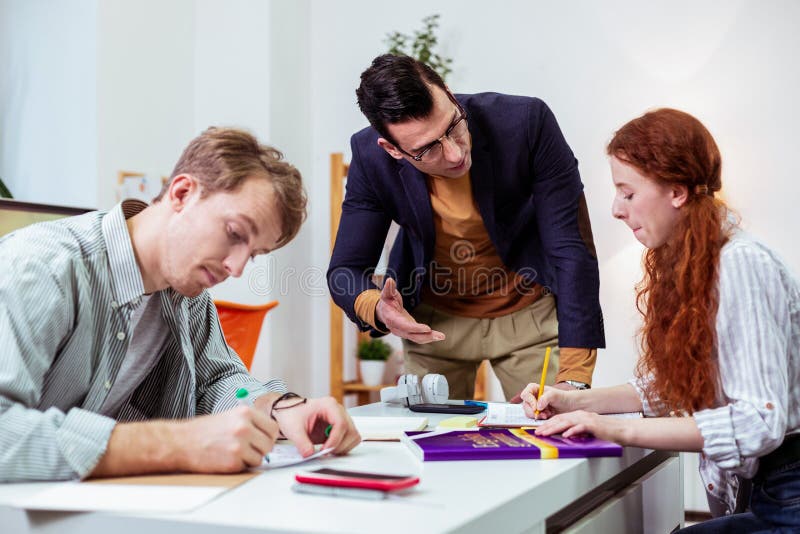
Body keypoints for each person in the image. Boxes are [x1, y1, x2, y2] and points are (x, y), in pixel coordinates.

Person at [0, 127, 360, 482]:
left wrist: (283, 408)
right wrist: (177, 443)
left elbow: (218, 381)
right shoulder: (39, 266)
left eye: (253, 254)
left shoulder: (188, 295)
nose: (236, 268)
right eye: (234, 233)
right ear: (182, 193)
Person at [521, 108, 799, 531]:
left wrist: (617, 431)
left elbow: (758, 421)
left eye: (628, 193)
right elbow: (670, 388)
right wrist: (575, 401)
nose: (616, 210)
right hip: (770, 490)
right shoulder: (699, 263)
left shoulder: (741, 264)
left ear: (677, 192)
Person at [327, 54, 604, 400]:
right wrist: (379, 308)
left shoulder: (527, 122)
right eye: (428, 149)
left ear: (448, 92)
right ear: (392, 149)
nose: (455, 154)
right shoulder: (371, 158)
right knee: (426, 433)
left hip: (530, 316)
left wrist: (574, 378)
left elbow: (570, 247)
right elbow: (346, 269)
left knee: (552, 427)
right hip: (432, 326)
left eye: (453, 126)